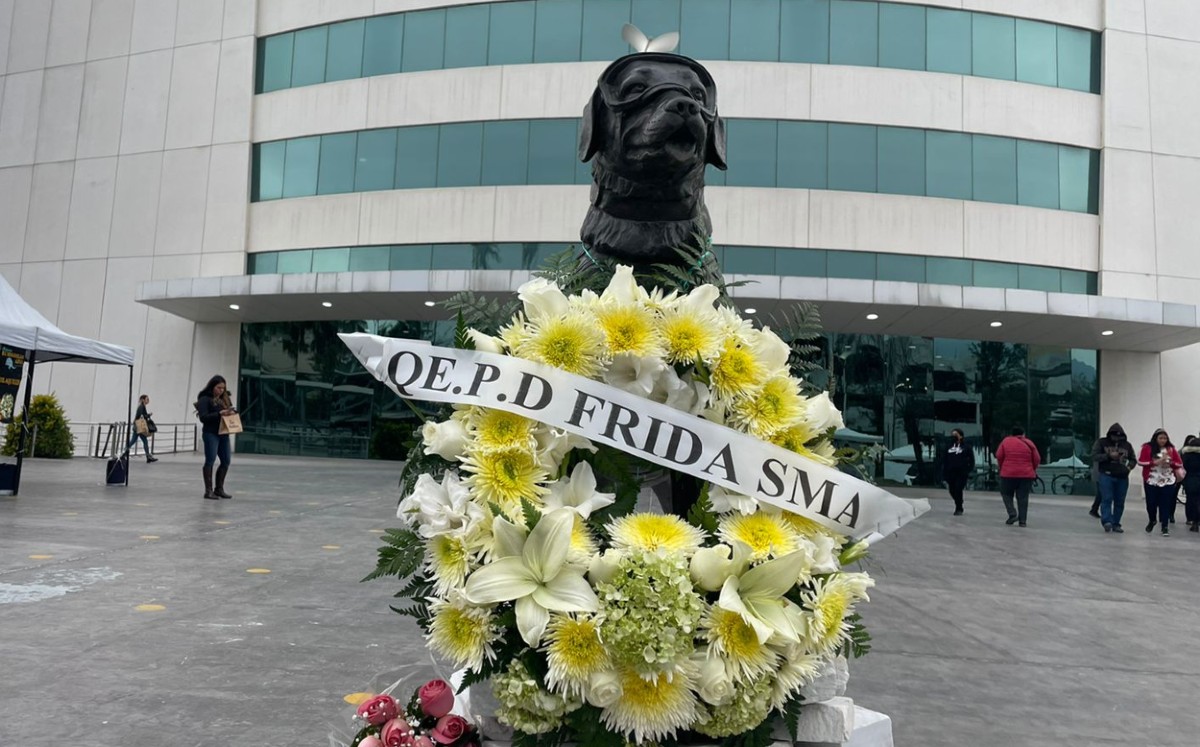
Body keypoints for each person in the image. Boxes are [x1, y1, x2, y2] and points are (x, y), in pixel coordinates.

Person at [196, 375, 236, 500]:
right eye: (219, 387)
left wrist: (232, 412)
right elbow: (203, 417)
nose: (221, 390)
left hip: (223, 432)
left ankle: (219, 488)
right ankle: (208, 490)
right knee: (210, 460)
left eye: (223, 388)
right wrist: (219, 414)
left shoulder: (224, 399)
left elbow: (231, 411)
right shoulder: (204, 399)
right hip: (210, 432)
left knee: (226, 460)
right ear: (212, 386)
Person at [1091, 423, 1135, 533]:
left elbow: (1133, 459)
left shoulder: (1127, 445)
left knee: (1120, 501)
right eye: (1114, 435)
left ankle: (1116, 523)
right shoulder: (1102, 443)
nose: (1117, 438)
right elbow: (1094, 456)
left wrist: (1129, 468)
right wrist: (1109, 456)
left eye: (1119, 436)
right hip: (1106, 474)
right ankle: (1107, 521)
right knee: (1106, 498)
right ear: (1110, 434)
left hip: (1122, 476)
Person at [1137, 428, 1182, 536]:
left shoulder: (1171, 449)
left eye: (1165, 438)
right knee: (1151, 503)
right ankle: (1152, 519)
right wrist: (1154, 462)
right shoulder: (1147, 448)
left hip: (1167, 479)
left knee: (1165, 503)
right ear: (1155, 438)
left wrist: (1171, 463)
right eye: (1161, 438)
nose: (1163, 440)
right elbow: (1141, 461)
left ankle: (1165, 526)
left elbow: (1179, 463)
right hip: (1152, 479)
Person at [995, 426, 1040, 527]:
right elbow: (1037, 459)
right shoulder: (1029, 443)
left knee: (1006, 494)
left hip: (1008, 473)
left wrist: (1002, 467)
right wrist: (1032, 469)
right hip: (1026, 475)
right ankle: (1022, 521)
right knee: (1023, 497)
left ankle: (1012, 514)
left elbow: (999, 455)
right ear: (1023, 434)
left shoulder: (1006, 441)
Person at [942, 428, 974, 516]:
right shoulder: (948, 447)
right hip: (950, 472)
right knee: (952, 490)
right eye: (952, 435)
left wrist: (968, 469)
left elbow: (971, 460)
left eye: (956, 435)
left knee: (958, 488)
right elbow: (945, 459)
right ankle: (958, 500)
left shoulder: (966, 447)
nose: (954, 437)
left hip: (961, 473)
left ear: (961, 436)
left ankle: (959, 508)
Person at [123, 394, 158, 463]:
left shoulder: (142, 406)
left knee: (137, 441)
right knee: (135, 441)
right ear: (143, 400)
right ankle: (124, 454)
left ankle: (124, 454)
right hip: (139, 427)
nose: (148, 401)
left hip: (138, 427)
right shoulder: (141, 407)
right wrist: (148, 415)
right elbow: (141, 416)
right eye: (147, 399)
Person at [1182, 435, 1200, 533]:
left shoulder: (1187, 455)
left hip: (1191, 481)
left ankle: (1194, 522)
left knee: (1191, 501)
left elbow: (1183, 468)